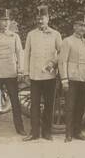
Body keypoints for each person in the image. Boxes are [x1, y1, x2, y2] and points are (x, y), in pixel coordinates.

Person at [23, 7, 62, 141]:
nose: (40, 20)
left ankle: (47, 132)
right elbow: (26, 54)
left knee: (49, 104)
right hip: (35, 76)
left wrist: (53, 63)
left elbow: (61, 52)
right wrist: (26, 73)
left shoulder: (56, 34)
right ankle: (34, 132)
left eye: (43, 18)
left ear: (48, 18)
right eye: (38, 18)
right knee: (34, 104)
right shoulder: (31, 35)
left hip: (49, 76)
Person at [59, 17, 85, 142]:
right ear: (74, 27)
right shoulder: (68, 41)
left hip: (84, 78)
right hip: (71, 78)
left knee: (81, 106)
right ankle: (68, 133)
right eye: (80, 25)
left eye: (84, 26)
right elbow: (63, 61)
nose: (82, 28)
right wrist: (64, 79)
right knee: (70, 107)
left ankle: (78, 131)